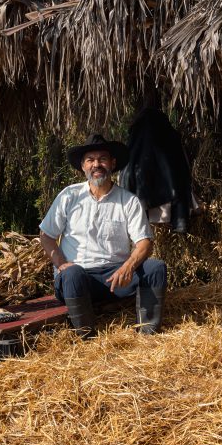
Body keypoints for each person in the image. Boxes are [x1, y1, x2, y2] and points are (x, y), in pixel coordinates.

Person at [39, 133, 167, 338]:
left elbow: (145, 242)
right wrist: (61, 264)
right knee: (72, 274)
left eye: (102, 159)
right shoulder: (69, 196)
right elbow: (46, 235)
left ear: (112, 163)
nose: (96, 164)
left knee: (155, 268)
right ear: (83, 166)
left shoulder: (128, 201)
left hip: (116, 279)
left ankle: (148, 334)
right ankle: (86, 337)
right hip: (79, 279)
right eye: (90, 160)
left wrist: (128, 267)